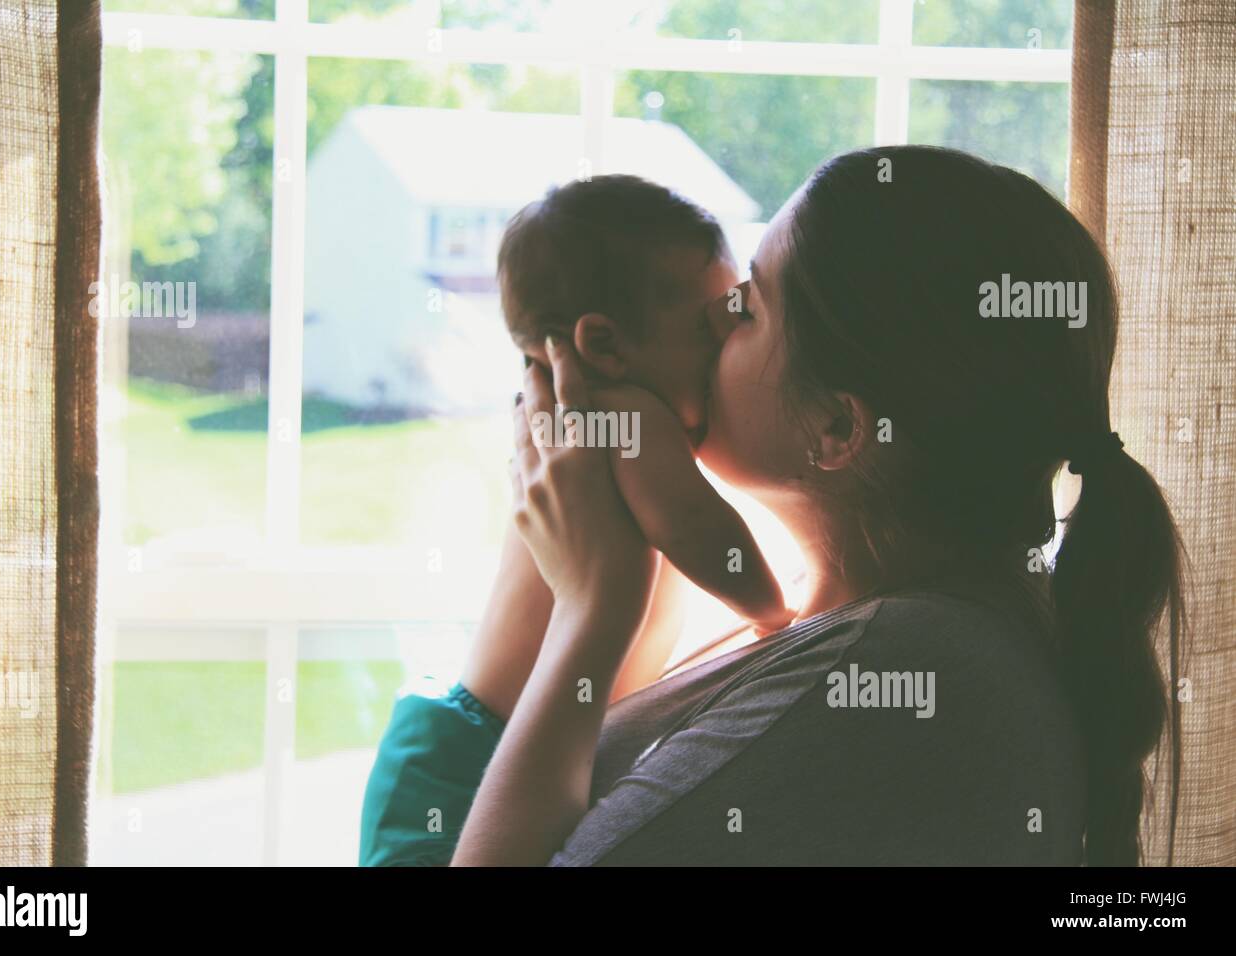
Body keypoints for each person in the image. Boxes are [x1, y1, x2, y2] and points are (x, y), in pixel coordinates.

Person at [360, 145, 1187, 867]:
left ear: (836, 426)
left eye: (747, 307)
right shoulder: (856, 622)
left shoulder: (903, 665)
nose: (716, 323)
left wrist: (594, 605)